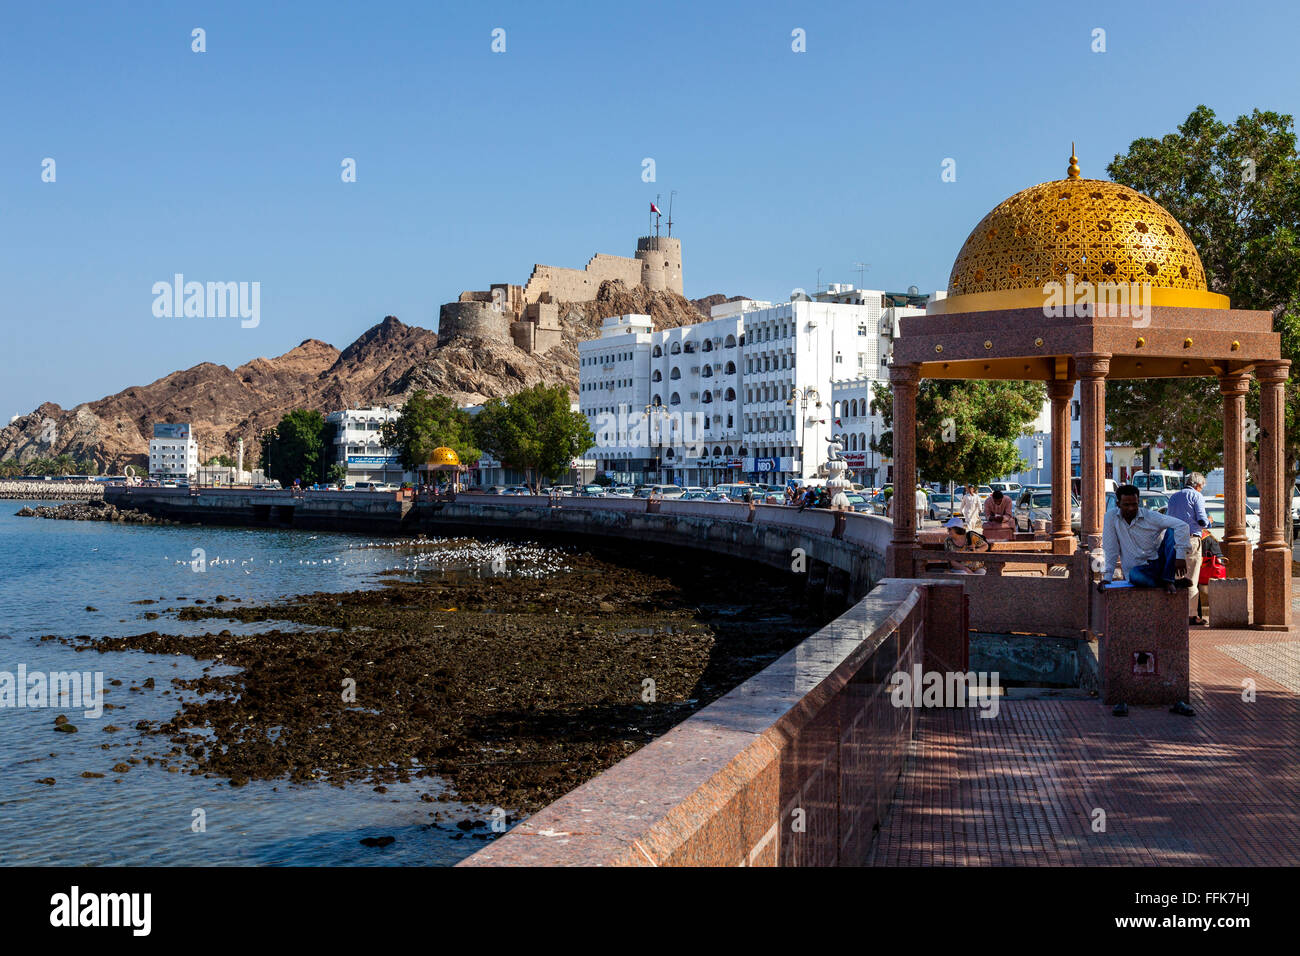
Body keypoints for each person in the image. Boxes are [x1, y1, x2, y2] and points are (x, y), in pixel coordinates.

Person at [1099, 484, 1192, 594]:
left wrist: (1180, 556)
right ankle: (1168, 583)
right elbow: (1111, 548)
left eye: (1134, 504)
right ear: (1118, 504)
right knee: (1135, 576)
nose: (1131, 508)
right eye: (1126, 505)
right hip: (1138, 570)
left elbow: (1182, 526)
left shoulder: (1150, 516)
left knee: (1172, 530)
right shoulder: (1111, 517)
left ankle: (1168, 580)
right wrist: (1107, 578)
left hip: (1158, 562)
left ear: (1138, 502)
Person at [1166, 472, 1211, 623]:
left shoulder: (1173, 497)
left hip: (1173, 540)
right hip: (1190, 540)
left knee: (1177, 578)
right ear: (1198, 485)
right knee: (1191, 578)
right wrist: (1209, 521)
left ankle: (1175, 612)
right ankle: (1191, 615)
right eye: (1202, 487)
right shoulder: (1196, 496)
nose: (1201, 490)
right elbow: (1202, 520)